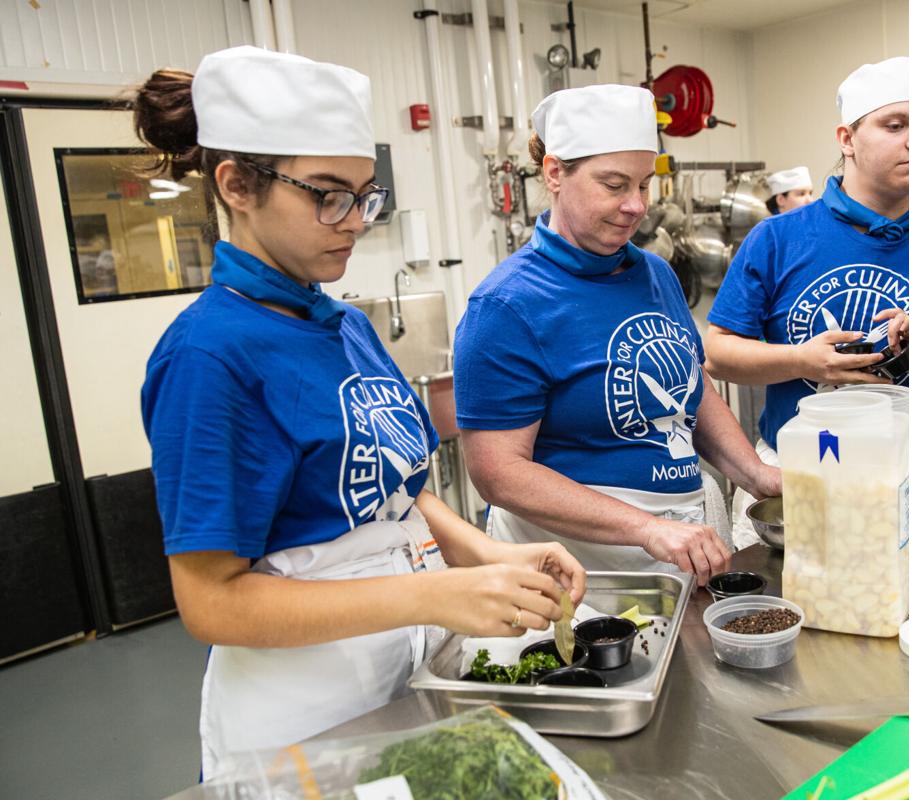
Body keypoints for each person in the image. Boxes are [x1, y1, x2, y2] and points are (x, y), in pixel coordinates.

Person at [135, 46, 586, 779]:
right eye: (328, 195)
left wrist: (491, 556)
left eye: (366, 196)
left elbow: (398, 495)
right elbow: (211, 602)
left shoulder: (346, 327)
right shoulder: (208, 356)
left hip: (402, 671)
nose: (354, 222)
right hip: (300, 708)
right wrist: (434, 593)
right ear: (237, 185)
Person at [453, 84, 780, 586]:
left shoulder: (655, 274)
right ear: (555, 172)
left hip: (682, 540)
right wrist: (646, 528)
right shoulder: (507, 305)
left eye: (645, 185)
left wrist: (756, 474)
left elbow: (692, 390)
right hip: (582, 565)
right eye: (614, 185)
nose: (636, 206)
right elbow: (498, 473)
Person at [705, 56, 909, 550]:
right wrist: (802, 360)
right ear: (847, 139)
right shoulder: (777, 240)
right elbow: (717, 353)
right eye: (895, 125)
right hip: (793, 480)